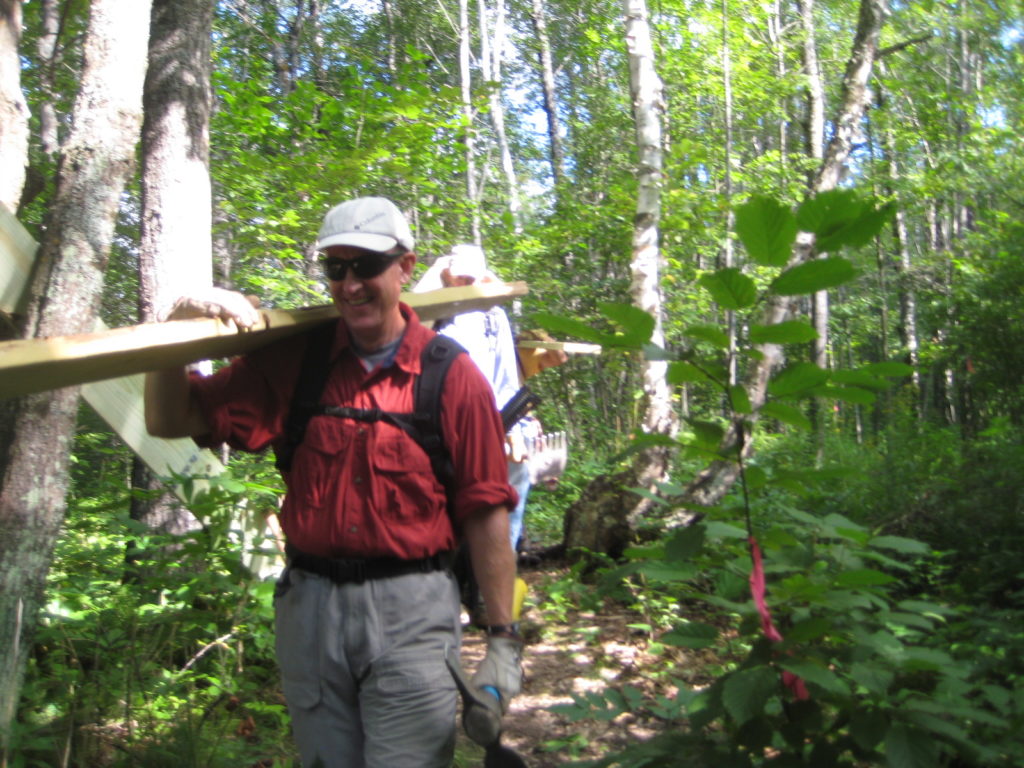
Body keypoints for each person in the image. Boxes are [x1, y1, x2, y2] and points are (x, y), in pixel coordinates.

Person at [144, 197, 523, 768]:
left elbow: (486, 510)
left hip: (413, 613)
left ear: (404, 267)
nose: (350, 285)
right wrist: (176, 327)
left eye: (366, 266)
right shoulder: (296, 362)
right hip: (311, 612)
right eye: (336, 267)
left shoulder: (452, 375)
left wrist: (502, 640)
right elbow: (169, 419)